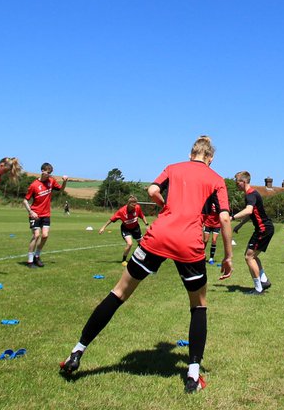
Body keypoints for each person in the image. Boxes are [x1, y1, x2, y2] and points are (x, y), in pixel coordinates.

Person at [59, 135, 234, 394]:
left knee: (118, 293)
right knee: (198, 306)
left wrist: (166, 207)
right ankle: (193, 376)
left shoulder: (173, 168)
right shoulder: (216, 179)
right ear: (211, 158)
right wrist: (228, 255)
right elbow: (224, 218)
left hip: (158, 235)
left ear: (191, 154)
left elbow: (152, 190)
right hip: (189, 242)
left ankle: (76, 352)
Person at [232, 171, 274, 293]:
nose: (236, 184)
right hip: (264, 228)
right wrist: (240, 225)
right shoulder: (252, 193)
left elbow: (248, 211)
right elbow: (252, 214)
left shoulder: (250, 195)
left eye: (237, 182)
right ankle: (264, 280)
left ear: (243, 182)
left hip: (263, 229)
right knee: (252, 256)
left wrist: (232, 218)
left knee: (249, 257)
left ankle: (258, 288)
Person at [23, 164, 68, 268]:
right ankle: (30, 261)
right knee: (36, 235)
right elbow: (25, 200)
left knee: (45, 235)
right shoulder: (34, 185)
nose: (49, 175)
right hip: (35, 214)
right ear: (42, 171)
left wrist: (65, 182)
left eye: (50, 173)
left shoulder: (51, 181)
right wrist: (31, 212)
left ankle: (37, 256)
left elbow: (61, 190)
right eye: (47, 172)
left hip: (46, 214)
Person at [100, 196, 149, 265]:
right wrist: (103, 227)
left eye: (135, 205)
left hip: (136, 228)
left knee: (142, 244)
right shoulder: (121, 211)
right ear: (128, 204)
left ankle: (140, 258)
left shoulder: (137, 207)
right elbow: (111, 219)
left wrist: (146, 224)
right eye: (133, 205)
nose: (134, 206)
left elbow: (142, 216)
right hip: (126, 229)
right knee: (129, 244)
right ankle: (124, 260)